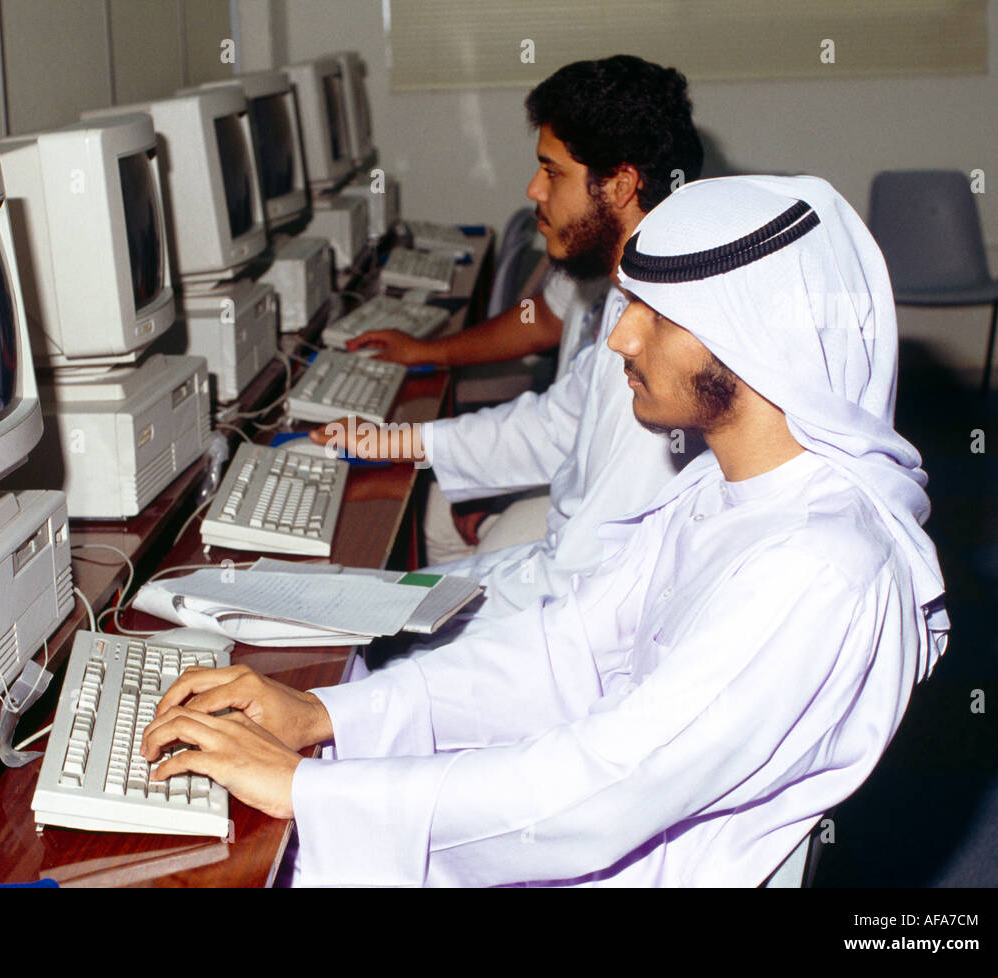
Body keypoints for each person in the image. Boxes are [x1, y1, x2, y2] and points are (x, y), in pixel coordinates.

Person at [142, 175, 949, 887]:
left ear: (756, 343)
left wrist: (306, 790)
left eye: (658, 317)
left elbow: (601, 791)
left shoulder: (817, 567)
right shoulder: (725, 486)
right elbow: (564, 651)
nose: (622, 337)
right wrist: (327, 716)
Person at [313, 56, 705, 616]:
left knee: (362, 622)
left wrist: (390, 620)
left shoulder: (655, 349)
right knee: (373, 593)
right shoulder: (630, 289)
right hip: (566, 560)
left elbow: (579, 587)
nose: (533, 189)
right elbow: (555, 426)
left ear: (619, 185)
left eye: (553, 172)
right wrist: (397, 442)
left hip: (580, 608)